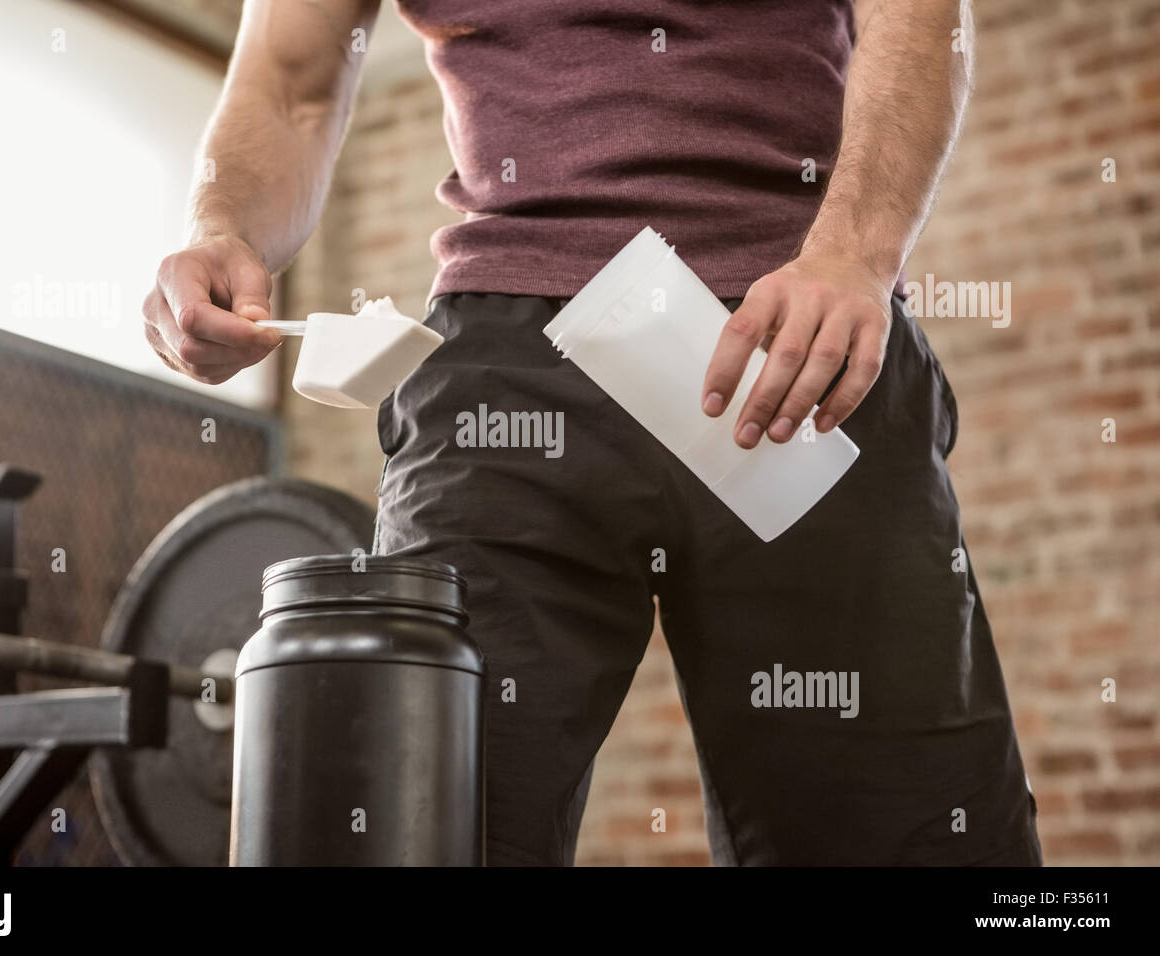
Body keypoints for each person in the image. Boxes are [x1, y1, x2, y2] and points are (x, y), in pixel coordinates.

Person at [143, 0, 1041, 866]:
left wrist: (857, 252)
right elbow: (292, 77)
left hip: (795, 332)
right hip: (503, 364)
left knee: (904, 834)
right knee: (417, 816)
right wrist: (222, 229)